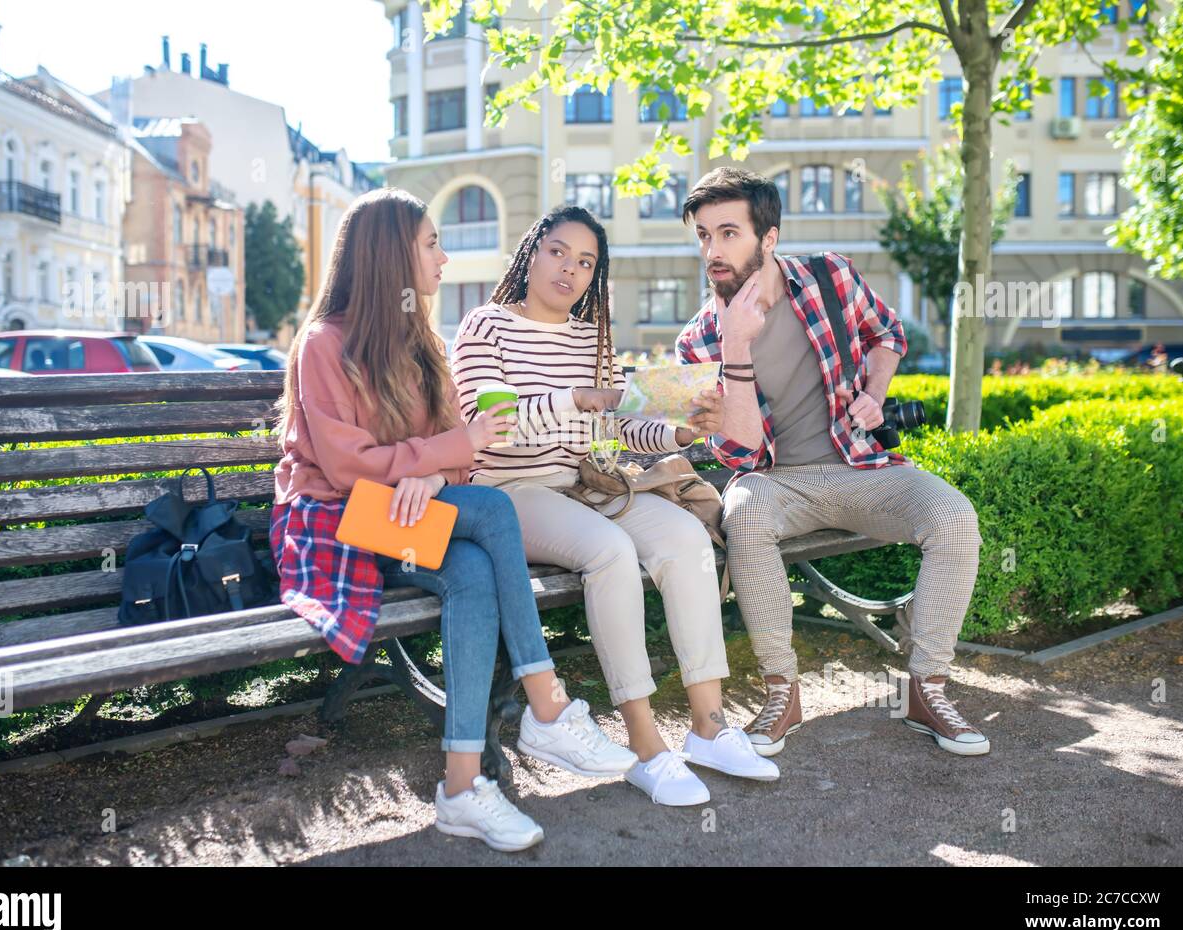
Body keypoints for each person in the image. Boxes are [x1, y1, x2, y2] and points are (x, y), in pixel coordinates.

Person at [271, 188, 637, 853]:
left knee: (471, 570)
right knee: (496, 509)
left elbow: (461, 458)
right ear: (390, 256)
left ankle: (462, 788)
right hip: (337, 522)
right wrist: (436, 459)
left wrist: (430, 474)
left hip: (403, 516)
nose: (445, 258)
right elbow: (352, 468)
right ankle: (546, 704)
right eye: (432, 243)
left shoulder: (422, 346)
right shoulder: (325, 345)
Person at [451, 205, 780, 808]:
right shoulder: (485, 326)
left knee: (684, 538)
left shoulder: (588, 336)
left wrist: (680, 431)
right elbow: (489, 430)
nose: (569, 270)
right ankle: (646, 746)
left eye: (585, 262)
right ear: (531, 252)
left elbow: (620, 426)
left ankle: (708, 727)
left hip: (585, 484)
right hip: (508, 495)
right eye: (558, 252)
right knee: (611, 553)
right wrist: (575, 397)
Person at [676, 166, 990, 757]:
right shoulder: (699, 340)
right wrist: (736, 343)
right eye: (702, 236)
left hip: (862, 468)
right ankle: (781, 691)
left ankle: (928, 686)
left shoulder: (830, 276)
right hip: (779, 486)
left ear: (768, 238)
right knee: (742, 509)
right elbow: (739, 453)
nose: (711, 251)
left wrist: (873, 391)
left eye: (727, 233)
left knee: (955, 517)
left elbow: (886, 333)